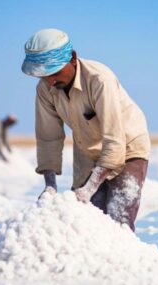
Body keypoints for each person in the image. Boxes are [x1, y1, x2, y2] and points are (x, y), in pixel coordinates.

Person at [21, 28, 150, 231]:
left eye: (54, 72)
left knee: (119, 221)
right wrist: (50, 185)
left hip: (126, 146)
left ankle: (119, 261)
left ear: (73, 58)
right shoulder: (45, 89)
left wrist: (90, 187)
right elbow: (48, 138)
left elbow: (114, 140)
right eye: (43, 75)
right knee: (84, 219)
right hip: (88, 149)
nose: (50, 81)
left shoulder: (99, 80)